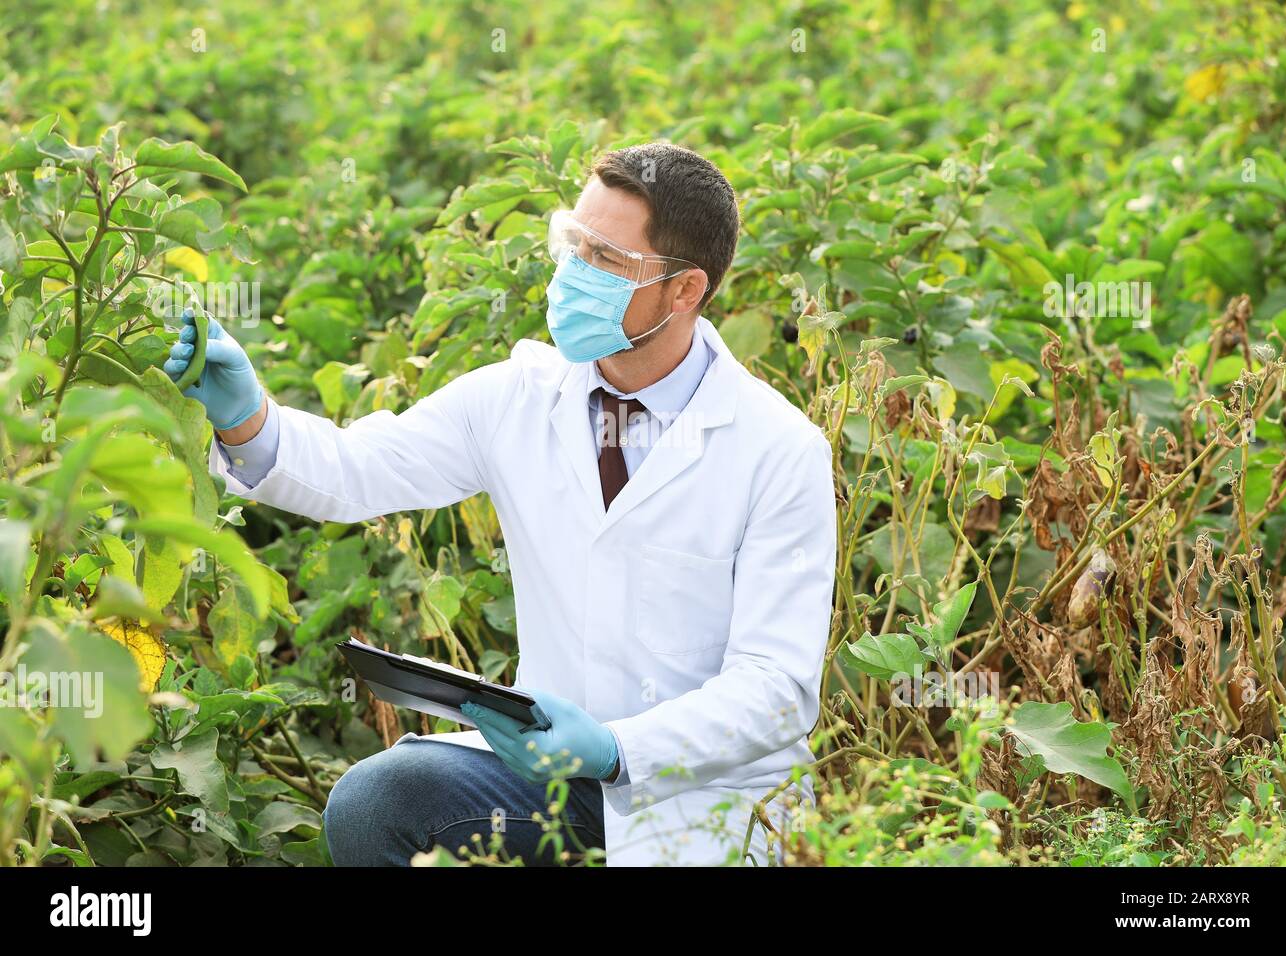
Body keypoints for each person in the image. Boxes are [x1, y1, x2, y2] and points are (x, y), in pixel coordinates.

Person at [166, 143, 836, 866]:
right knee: (377, 803)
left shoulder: (777, 449)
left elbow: (777, 689)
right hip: (547, 777)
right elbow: (359, 469)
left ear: (684, 291)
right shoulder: (519, 396)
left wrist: (617, 747)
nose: (575, 272)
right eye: (572, 244)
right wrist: (248, 419)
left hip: (708, 797)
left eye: (606, 260)